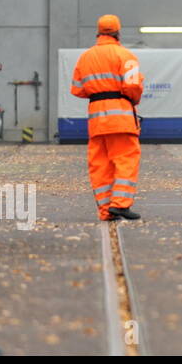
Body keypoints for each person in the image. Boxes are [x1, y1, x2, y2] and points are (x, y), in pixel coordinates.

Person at [71, 14, 144, 221]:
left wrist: (98, 91)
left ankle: (106, 210)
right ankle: (120, 205)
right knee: (126, 160)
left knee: (99, 164)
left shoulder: (85, 57)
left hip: (96, 119)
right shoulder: (126, 56)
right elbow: (132, 87)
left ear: (99, 32)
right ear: (118, 32)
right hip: (120, 117)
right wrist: (131, 99)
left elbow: (77, 89)